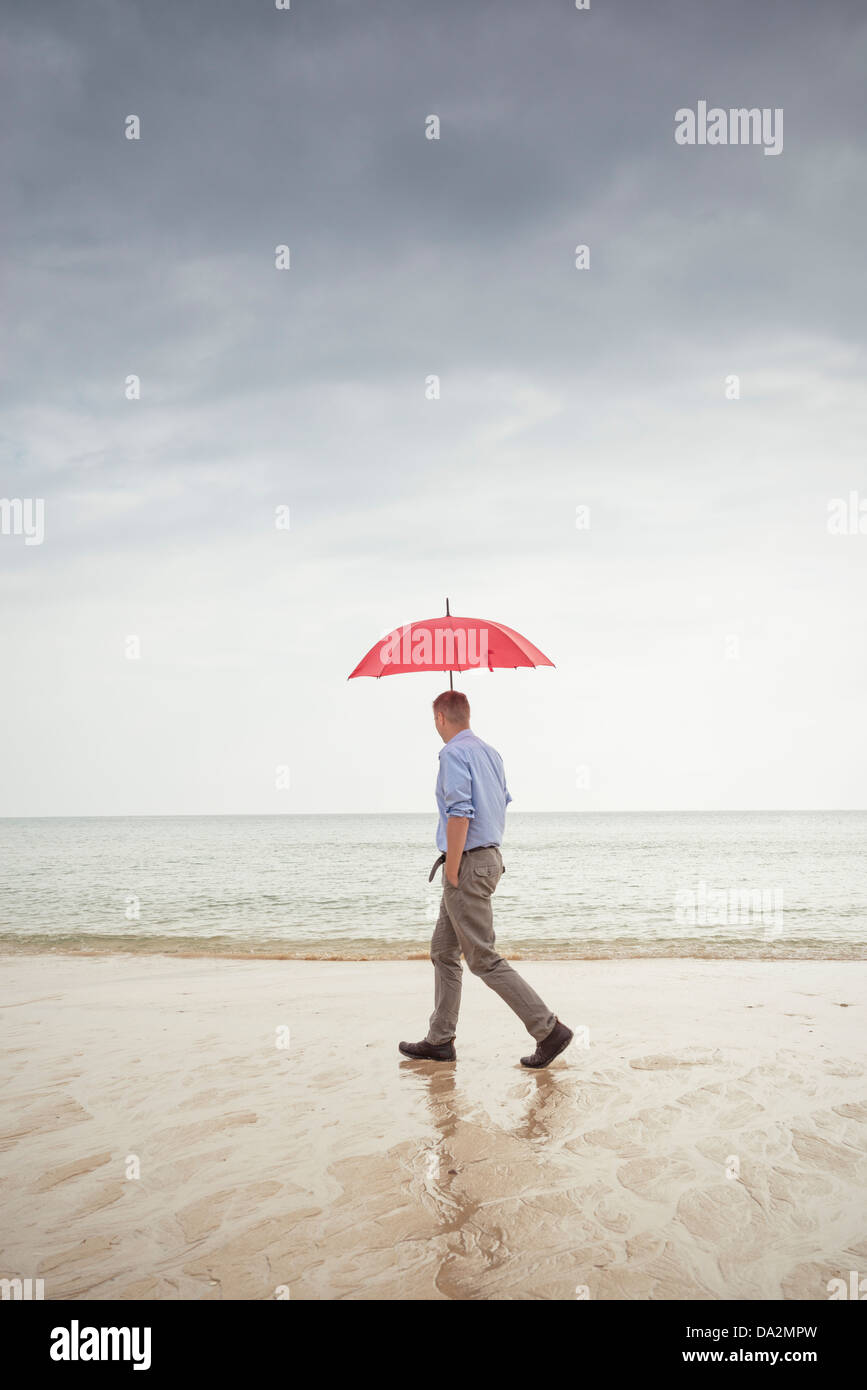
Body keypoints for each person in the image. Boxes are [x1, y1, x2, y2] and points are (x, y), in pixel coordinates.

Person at [399, 689, 573, 1068]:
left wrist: (453, 864)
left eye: (434, 720)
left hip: (467, 862)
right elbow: (501, 803)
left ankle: (548, 1030)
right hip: (489, 857)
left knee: (483, 959)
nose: (435, 726)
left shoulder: (452, 754)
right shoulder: (491, 753)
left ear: (441, 718)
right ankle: (440, 1040)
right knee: (444, 953)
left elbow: (461, 811)